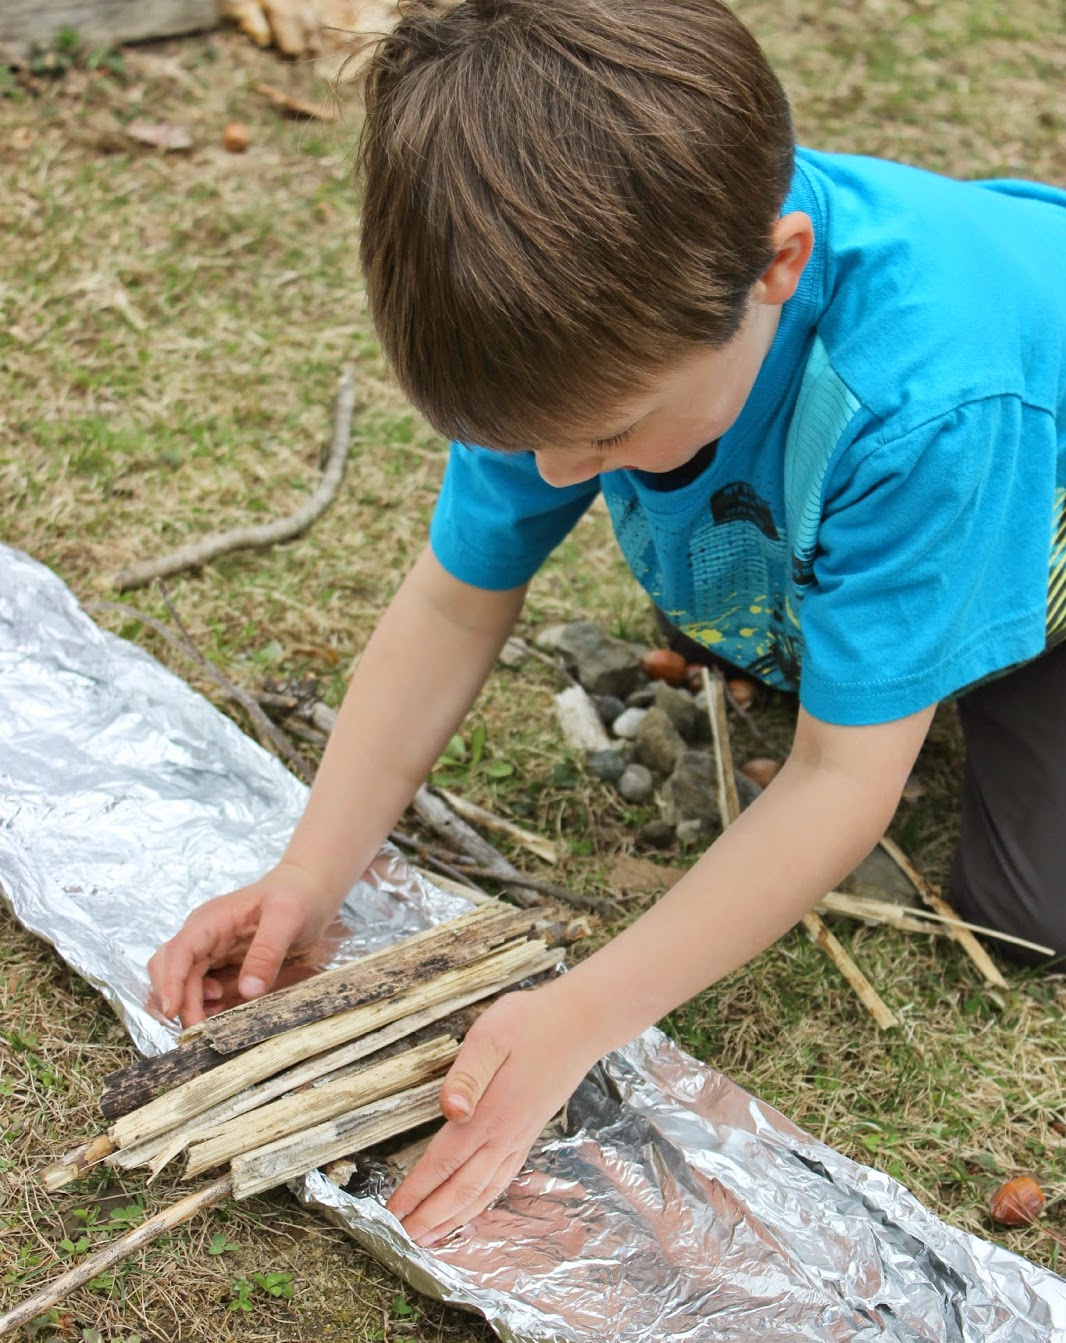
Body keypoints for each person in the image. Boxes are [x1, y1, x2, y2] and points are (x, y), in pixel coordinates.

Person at [148, 0, 1066, 1250]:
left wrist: (579, 1012)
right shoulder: (579, 327)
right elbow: (453, 599)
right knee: (779, 597)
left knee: (1030, 906)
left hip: (1030, 492)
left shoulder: (926, 404)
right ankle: (864, 620)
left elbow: (844, 780)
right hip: (891, 485)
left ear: (777, 268)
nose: (553, 467)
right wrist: (312, 869)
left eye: (605, 434)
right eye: (525, 439)